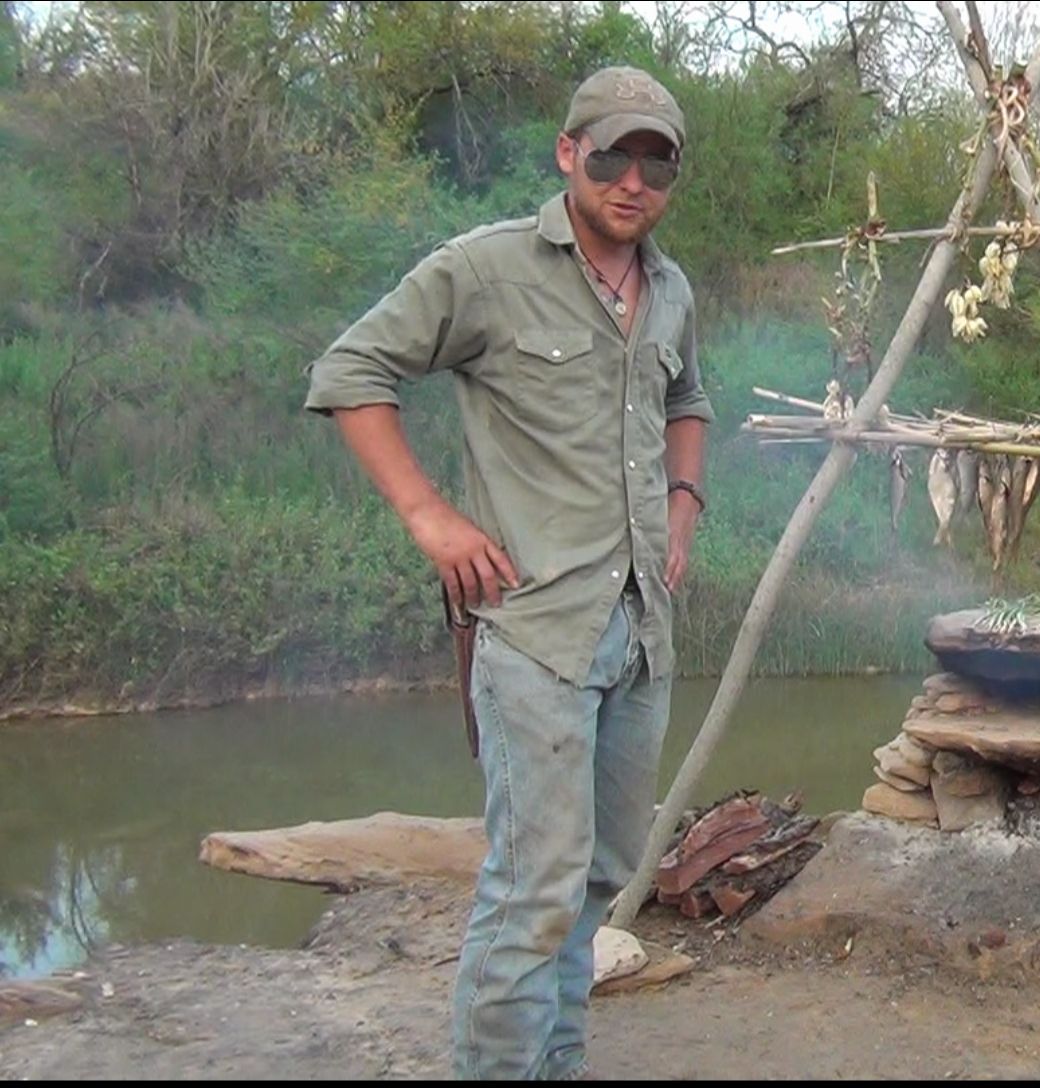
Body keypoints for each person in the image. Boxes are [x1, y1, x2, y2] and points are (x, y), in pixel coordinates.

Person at [303, 66, 713, 1081]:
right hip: (532, 628)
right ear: (568, 152)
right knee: (530, 889)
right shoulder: (486, 270)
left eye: (653, 162)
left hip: (639, 631)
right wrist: (428, 516)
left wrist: (683, 502)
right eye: (611, 154)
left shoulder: (669, 290)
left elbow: (690, 402)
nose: (631, 181)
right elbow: (350, 371)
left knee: (597, 880)